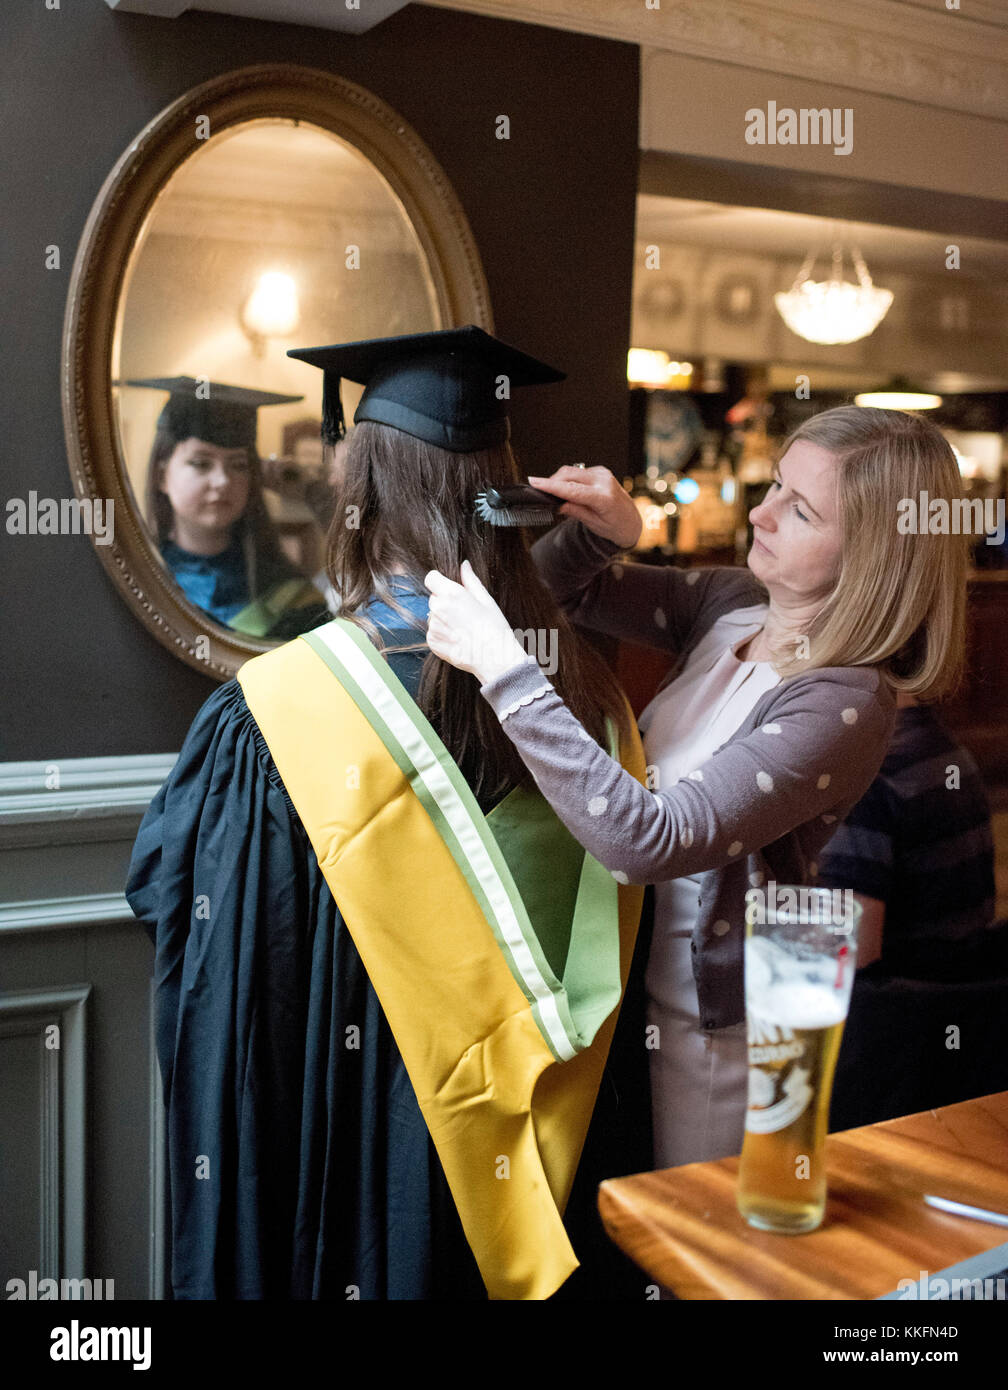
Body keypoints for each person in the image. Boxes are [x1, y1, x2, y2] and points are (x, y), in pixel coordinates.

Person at [126, 327, 646, 1301]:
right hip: (537, 1173)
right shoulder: (592, 703)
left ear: (359, 483)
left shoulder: (277, 714)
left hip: (353, 1156)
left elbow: (198, 942)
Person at [425, 405, 970, 1169]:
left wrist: (507, 673)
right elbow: (552, 596)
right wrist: (602, 532)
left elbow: (648, 841)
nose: (762, 512)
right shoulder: (730, 604)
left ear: (875, 555)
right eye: (776, 485)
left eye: (801, 509)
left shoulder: (844, 698)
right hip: (620, 980)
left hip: (716, 1027)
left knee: (699, 1250)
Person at [817, 690, 1001, 979]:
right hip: (967, 994)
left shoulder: (869, 778)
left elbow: (850, 965)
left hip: (908, 1007)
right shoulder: (947, 750)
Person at [132, 376, 330, 638]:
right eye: (201, 464)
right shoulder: (138, 578)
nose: (223, 481)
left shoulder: (291, 597)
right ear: (161, 475)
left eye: (238, 465)